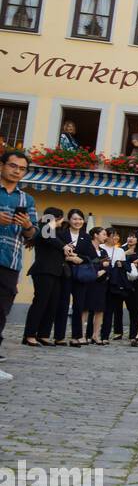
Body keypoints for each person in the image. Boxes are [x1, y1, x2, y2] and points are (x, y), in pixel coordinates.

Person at [0, 149, 37, 373]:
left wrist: (26, 226)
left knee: (1, 309)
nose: (17, 171)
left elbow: (33, 235)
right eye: (13, 166)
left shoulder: (27, 199)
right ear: (3, 165)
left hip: (9, 261)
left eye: (22, 169)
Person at [23, 206, 64, 347]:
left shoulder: (56, 232)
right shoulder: (44, 229)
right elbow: (46, 236)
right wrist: (64, 247)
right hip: (43, 271)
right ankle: (29, 335)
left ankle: (43, 335)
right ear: (57, 218)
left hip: (56, 272)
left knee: (52, 305)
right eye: (61, 218)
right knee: (40, 303)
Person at [57, 209, 94, 346]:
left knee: (79, 306)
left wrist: (79, 258)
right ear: (69, 220)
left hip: (80, 274)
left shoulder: (86, 237)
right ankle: (59, 336)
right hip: (64, 273)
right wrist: (67, 257)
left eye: (80, 219)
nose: (77, 222)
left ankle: (76, 336)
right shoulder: (61, 235)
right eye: (74, 219)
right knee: (63, 304)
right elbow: (56, 252)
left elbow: (91, 257)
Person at [78, 226, 112, 345]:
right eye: (103, 234)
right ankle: (81, 335)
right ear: (96, 235)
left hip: (101, 284)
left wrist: (104, 271)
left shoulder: (103, 251)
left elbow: (109, 266)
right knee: (85, 309)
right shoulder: (87, 248)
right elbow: (85, 261)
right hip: (88, 282)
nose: (105, 237)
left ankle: (95, 335)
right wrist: (98, 268)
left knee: (99, 310)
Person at [100, 230, 130, 341]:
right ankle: (90, 334)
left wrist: (120, 264)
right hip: (100, 280)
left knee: (109, 310)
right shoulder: (100, 247)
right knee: (95, 309)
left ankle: (105, 336)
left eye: (117, 235)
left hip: (113, 282)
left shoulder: (120, 250)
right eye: (113, 236)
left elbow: (124, 267)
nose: (116, 238)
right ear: (107, 237)